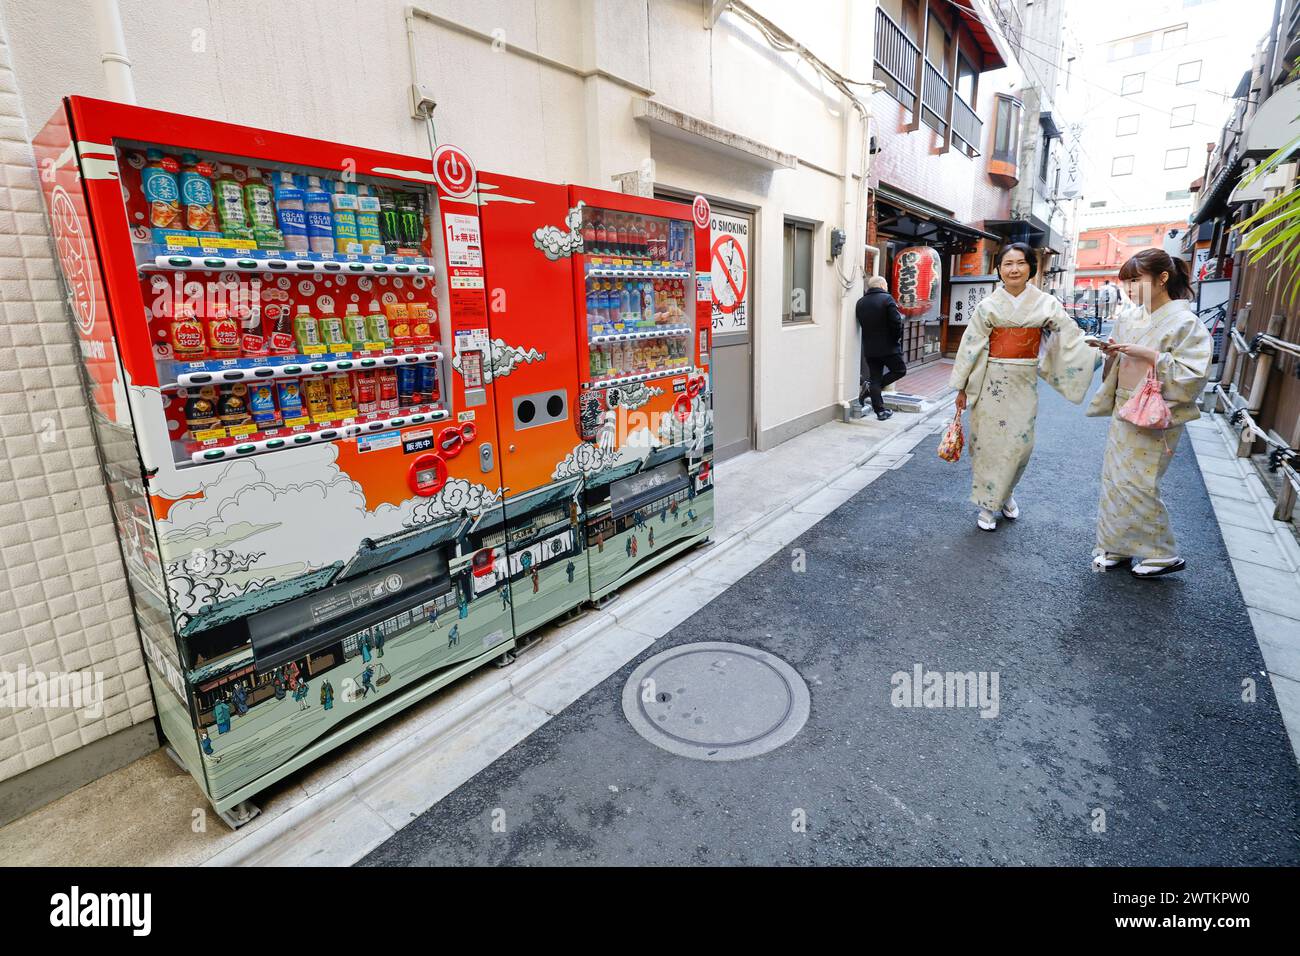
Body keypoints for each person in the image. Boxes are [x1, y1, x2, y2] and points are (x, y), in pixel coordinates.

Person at [950, 242, 1099, 531]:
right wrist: (960, 387)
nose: (1014, 269)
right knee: (988, 444)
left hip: (1023, 379)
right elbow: (970, 347)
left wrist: (1094, 352)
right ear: (999, 269)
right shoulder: (988, 306)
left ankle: (1005, 493)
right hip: (990, 379)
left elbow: (1069, 336)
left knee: (1021, 445)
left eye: (1020, 262)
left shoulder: (1046, 303)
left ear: (1031, 267)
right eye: (1007, 263)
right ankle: (987, 505)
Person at [1087, 249, 1211, 577]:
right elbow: (1121, 363)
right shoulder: (1130, 317)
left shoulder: (1186, 323)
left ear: (1162, 278)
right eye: (1125, 282)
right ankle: (1117, 545)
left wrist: (1150, 355)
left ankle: (1162, 553)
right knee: (1115, 480)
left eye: (1136, 280)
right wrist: (1111, 352)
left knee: (1139, 483)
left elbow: (1193, 374)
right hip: (1125, 406)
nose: (1129, 288)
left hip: (1157, 410)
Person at [856, 275, 907, 421]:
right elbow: (896, 323)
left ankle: (880, 411)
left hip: (870, 348)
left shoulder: (860, 302)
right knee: (900, 370)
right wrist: (896, 338)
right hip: (889, 347)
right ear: (882, 285)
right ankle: (871, 391)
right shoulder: (887, 299)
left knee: (875, 379)